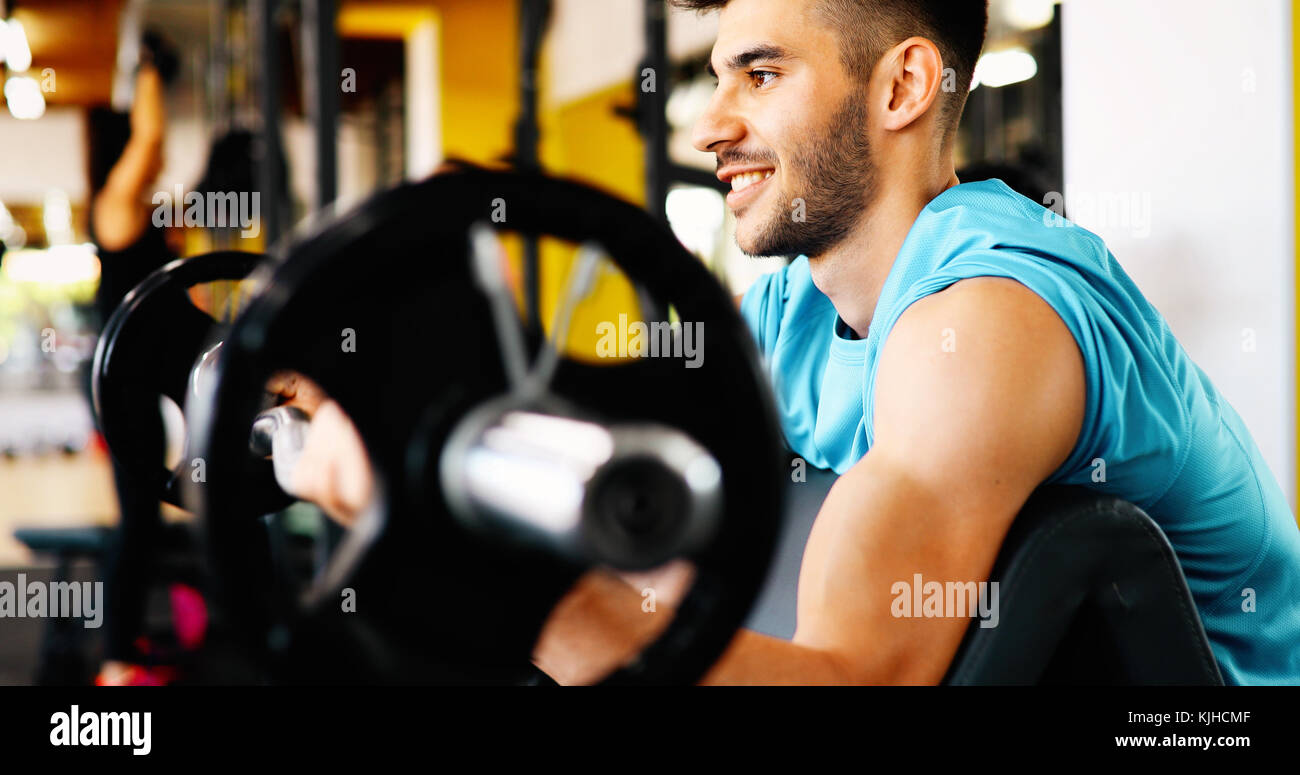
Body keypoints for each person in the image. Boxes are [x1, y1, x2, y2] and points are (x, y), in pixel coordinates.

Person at [279, 0, 1300, 684]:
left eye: (760, 76)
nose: (707, 126)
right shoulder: (788, 311)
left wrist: (433, 531)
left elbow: (848, 686)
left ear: (901, 89)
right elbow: (608, 457)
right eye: (720, 76)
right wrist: (389, 388)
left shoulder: (985, 322)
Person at [86, 55, 175, 685]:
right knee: (137, 519)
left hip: (137, 384)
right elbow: (151, 141)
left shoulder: (132, 213)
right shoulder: (116, 204)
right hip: (124, 387)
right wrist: (149, 67)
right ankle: (117, 665)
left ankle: (127, 649)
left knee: (143, 517)